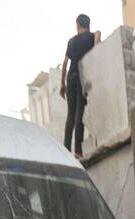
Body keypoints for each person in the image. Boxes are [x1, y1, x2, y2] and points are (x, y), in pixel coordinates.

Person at [60, 14, 101, 159]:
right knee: (79, 113)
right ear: (88, 24)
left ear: (77, 24)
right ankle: (77, 151)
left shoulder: (71, 41)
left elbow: (65, 64)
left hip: (70, 78)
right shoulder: (92, 37)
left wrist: (62, 85)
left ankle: (65, 151)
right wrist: (97, 35)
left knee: (70, 114)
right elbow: (97, 47)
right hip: (83, 77)